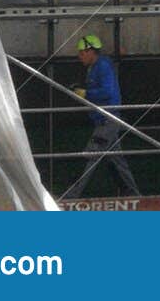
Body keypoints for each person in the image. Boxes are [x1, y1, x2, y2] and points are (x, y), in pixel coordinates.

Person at [58, 34, 140, 200]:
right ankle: (134, 195)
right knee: (117, 161)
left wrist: (85, 93)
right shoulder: (95, 67)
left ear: (90, 51)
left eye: (81, 52)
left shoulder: (102, 66)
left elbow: (107, 92)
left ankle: (70, 196)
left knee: (90, 156)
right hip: (105, 120)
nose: (79, 56)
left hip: (106, 121)